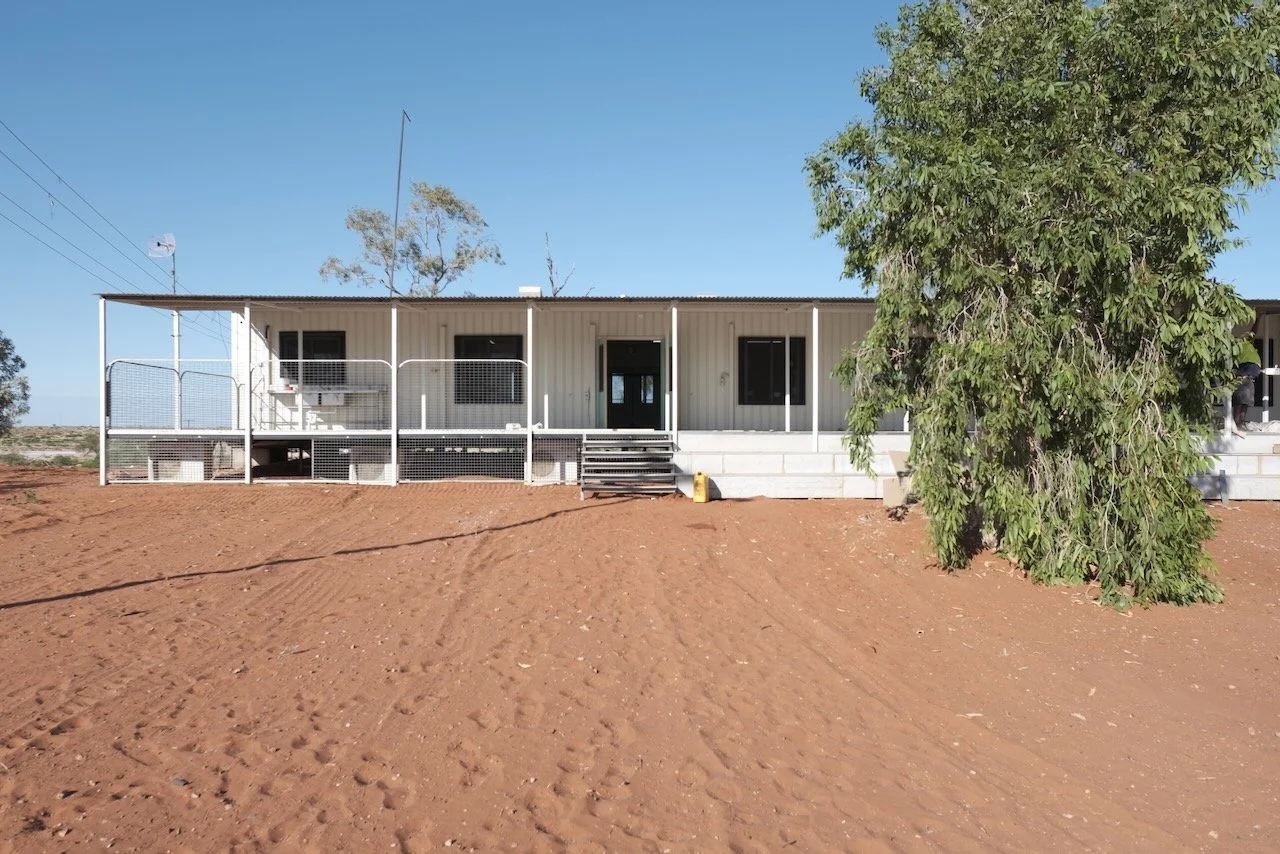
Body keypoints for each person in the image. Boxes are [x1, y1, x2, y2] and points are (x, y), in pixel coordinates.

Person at [1232, 331, 1262, 436]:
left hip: (1249, 378)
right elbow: (1253, 331)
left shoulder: (1248, 345)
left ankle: (1240, 423)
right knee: (1240, 402)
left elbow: (1253, 332)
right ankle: (1237, 424)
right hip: (1243, 375)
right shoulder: (1241, 345)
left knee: (1245, 403)